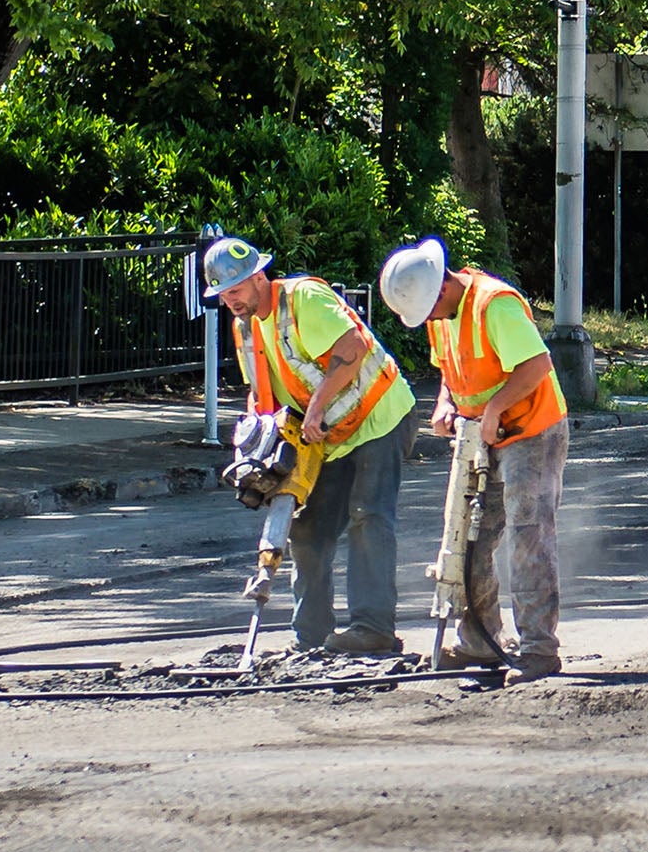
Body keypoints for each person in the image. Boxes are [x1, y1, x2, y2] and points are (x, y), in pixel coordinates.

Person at [204, 236, 414, 656]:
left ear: (259, 277)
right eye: (224, 294)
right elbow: (262, 393)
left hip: (379, 419)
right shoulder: (246, 327)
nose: (231, 300)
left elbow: (352, 347)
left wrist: (316, 408)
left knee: (368, 516)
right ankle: (311, 637)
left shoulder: (303, 299)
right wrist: (259, 447)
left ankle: (373, 630)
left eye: (237, 289)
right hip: (326, 439)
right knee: (307, 530)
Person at [379, 238, 568, 683]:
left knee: (527, 536)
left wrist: (495, 410)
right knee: (470, 540)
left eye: (429, 312)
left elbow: (537, 365)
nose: (428, 320)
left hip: (532, 432)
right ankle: (480, 642)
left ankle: (539, 650)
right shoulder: (440, 315)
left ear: (442, 288)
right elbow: (451, 371)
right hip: (482, 435)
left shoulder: (493, 305)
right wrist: (446, 403)